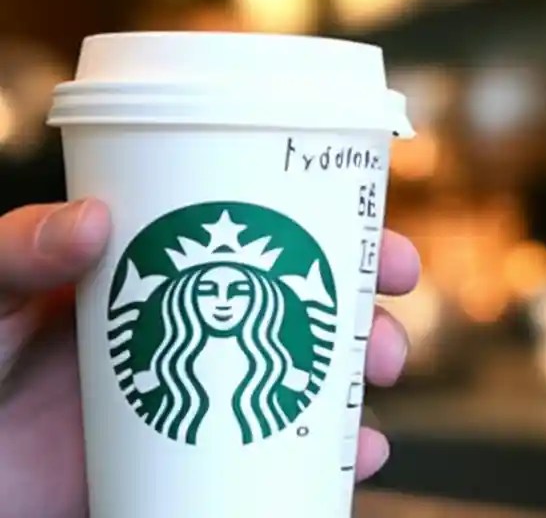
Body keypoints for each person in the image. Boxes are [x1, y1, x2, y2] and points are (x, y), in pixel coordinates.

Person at [0, 199, 419, 518]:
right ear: (183, 298)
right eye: (206, 290)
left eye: (237, 291)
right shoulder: (160, 375)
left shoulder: (281, 376)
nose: (222, 303)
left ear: (261, 299)